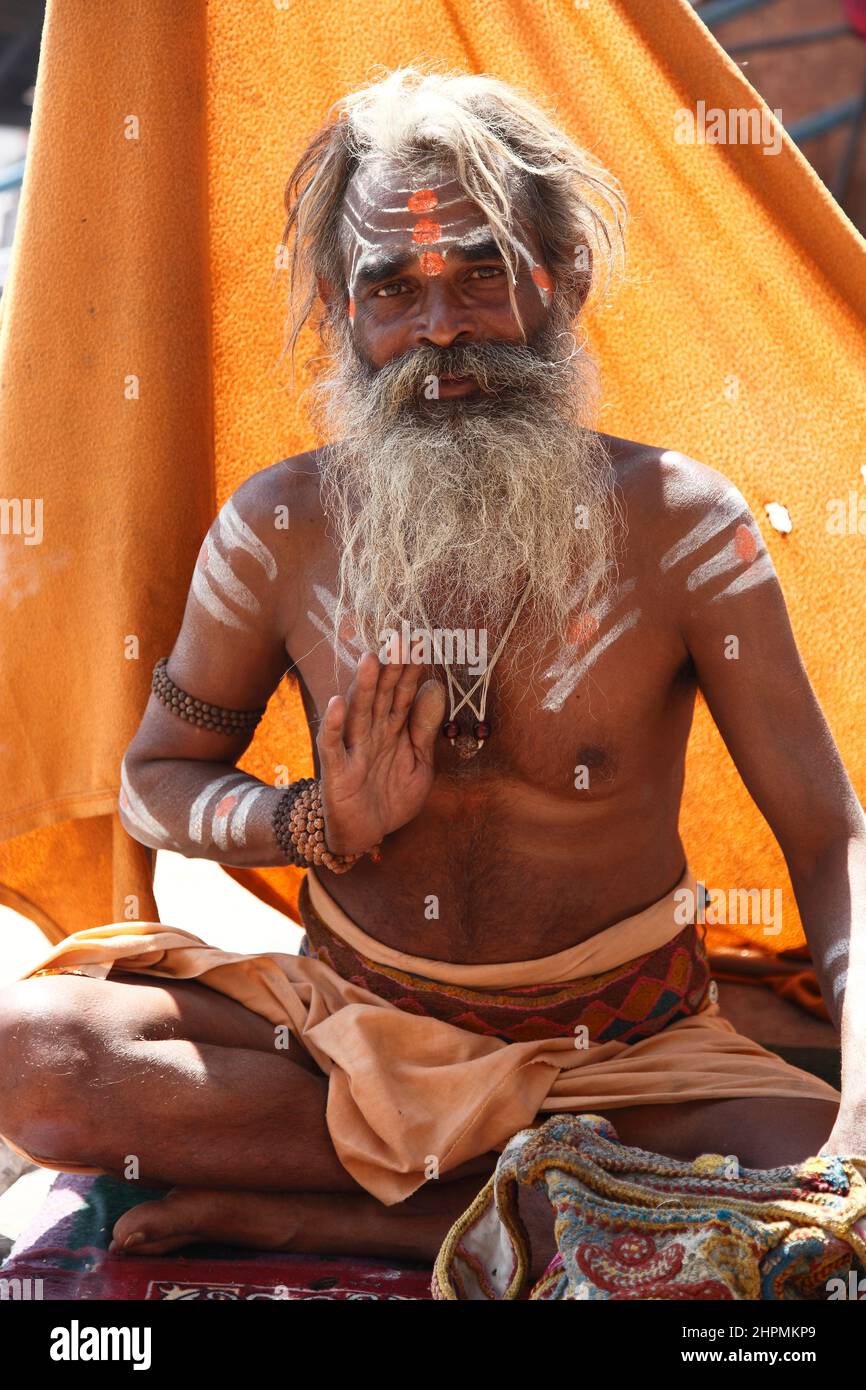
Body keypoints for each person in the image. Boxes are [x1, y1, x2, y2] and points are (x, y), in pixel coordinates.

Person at [0, 64, 862, 1266]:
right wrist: (309, 817)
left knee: (818, 1207)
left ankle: (365, 1205)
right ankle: (522, 1204)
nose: (440, 324)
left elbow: (830, 841)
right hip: (349, 1044)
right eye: (391, 287)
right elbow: (157, 776)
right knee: (36, 1052)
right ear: (341, 313)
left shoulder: (680, 526)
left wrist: (860, 1077)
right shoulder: (281, 529)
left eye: (480, 270)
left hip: (622, 1063)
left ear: (559, 279)